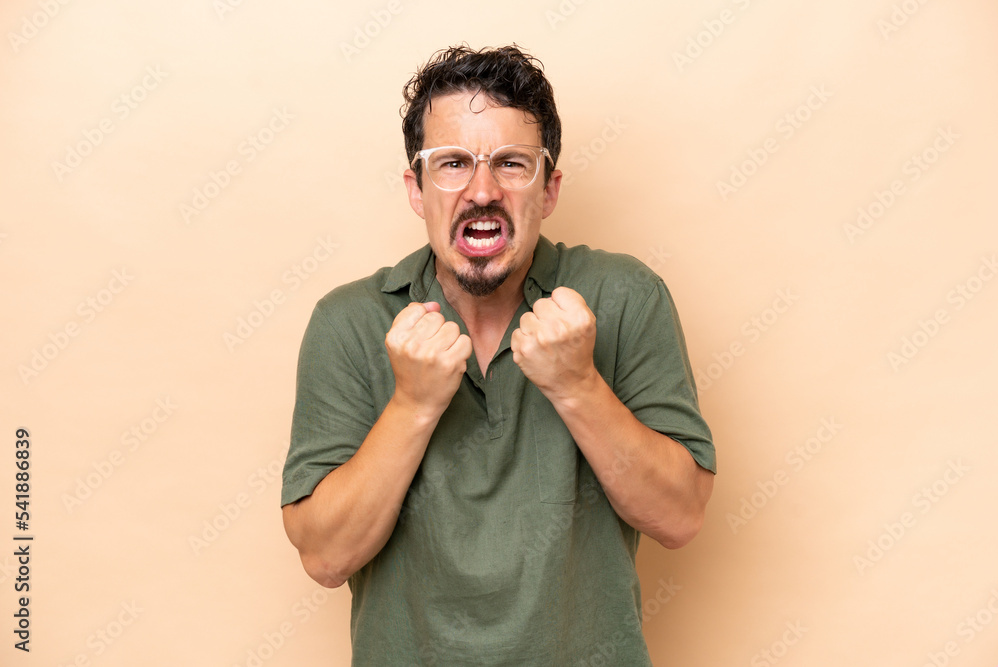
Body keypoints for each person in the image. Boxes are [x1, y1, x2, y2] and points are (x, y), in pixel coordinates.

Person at [281, 44, 716, 666]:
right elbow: (325, 557)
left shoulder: (625, 297)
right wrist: (411, 404)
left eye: (511, 164)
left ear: (549, 189)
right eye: (453, 163)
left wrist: (576, 385)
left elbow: (679, 518)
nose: (482, 190)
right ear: (417, 187)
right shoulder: (348, 321)